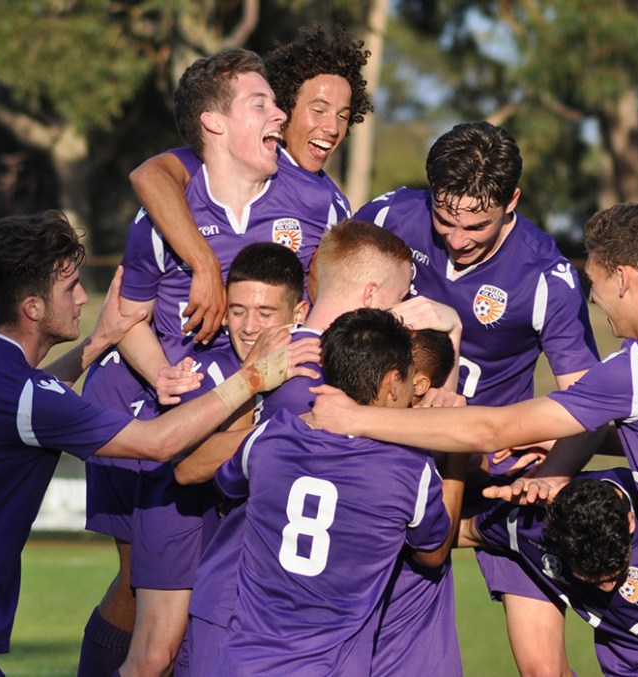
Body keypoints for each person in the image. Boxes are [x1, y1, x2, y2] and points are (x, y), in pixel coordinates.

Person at [308, 202, 638, 676]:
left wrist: (357, 417)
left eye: (595, 282)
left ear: (624, 278)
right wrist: (558, 463)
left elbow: (493, 430)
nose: (594, 298)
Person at [0, 211, 314, 677]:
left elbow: (33, 394)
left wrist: (98, 341)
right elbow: (159, 444)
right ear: (34, 308)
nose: (83, 297)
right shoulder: (20, 393)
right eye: (70, 288)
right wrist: (251, 378)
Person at [77, 47, 335, 677]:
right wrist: (158, 371)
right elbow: (126, 316)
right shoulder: (160, 218)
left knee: (203, 602)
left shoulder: (317, 204)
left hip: (244, 409)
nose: (282, 113)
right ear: (214, 124)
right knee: (148, 600)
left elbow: (343, 292)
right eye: (262, 103)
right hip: (159, 413)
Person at [355, 120, 601, 673]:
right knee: (357, 641)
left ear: (512, 200)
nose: (457, 238)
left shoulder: (545, 276)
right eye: (445, 220)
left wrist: (554, 472)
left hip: (495, 479)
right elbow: (331, 288)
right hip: (392, 461)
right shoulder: (391, 216)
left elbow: (588, 403)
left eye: (477, 225)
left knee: (543, 668)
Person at [174, 220, 466, 676]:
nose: (411, 308)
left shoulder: (322, 363)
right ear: (372, 297)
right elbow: (189, 465)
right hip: (250, 612)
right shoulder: (312, 372)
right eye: (405, 294)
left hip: (276, 620)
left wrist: (453, 335)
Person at [214, 308, 461, 676]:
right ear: (393, 382)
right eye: (410, 380)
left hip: (243, 663)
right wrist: (455, 452)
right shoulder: (409, 467)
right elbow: (433, 553)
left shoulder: (270, 436)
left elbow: (227, 485)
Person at [128, 24, 372, 345]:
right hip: (186, 366)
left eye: (343, 115)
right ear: (286, 108)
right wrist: (206, 265)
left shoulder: (330, 202)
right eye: (318, 110)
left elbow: (323, 294)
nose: (332, 127)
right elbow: (150, 176)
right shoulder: (234, 159)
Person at [461, 469, 638, 677]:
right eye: (593, 581)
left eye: (615, 575)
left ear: (630, 522)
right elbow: (464, 531)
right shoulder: (532, 525)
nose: (607, 588)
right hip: (633, 660)